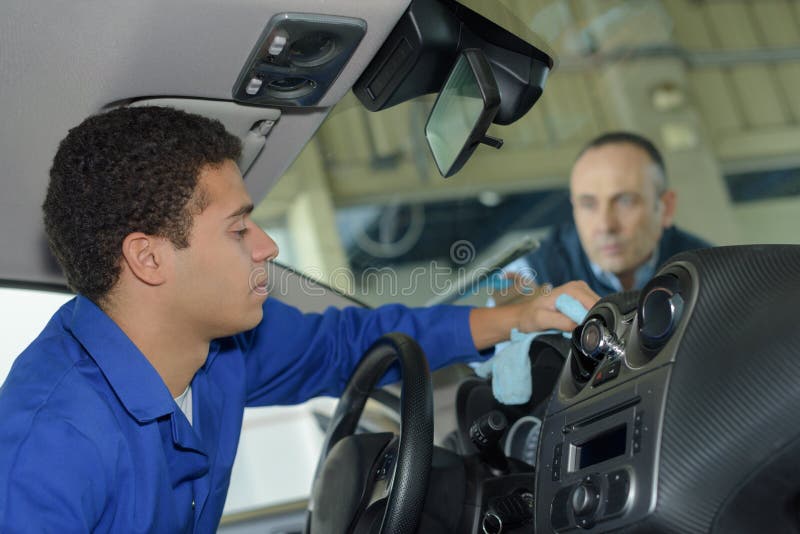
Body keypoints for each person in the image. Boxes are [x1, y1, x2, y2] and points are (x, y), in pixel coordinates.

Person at [0, 106, 598, 532]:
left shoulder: (222, 349)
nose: (267, 247)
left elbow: (350, 345)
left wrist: (520, 316)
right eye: (239, 229)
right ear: (149, 258)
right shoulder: (44, 454)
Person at [504, 132, 711, 298]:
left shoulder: (711, 270)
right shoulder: (531, 273)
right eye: (588, 204)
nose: (605, 225)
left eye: (625, 201)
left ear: (665, 208)